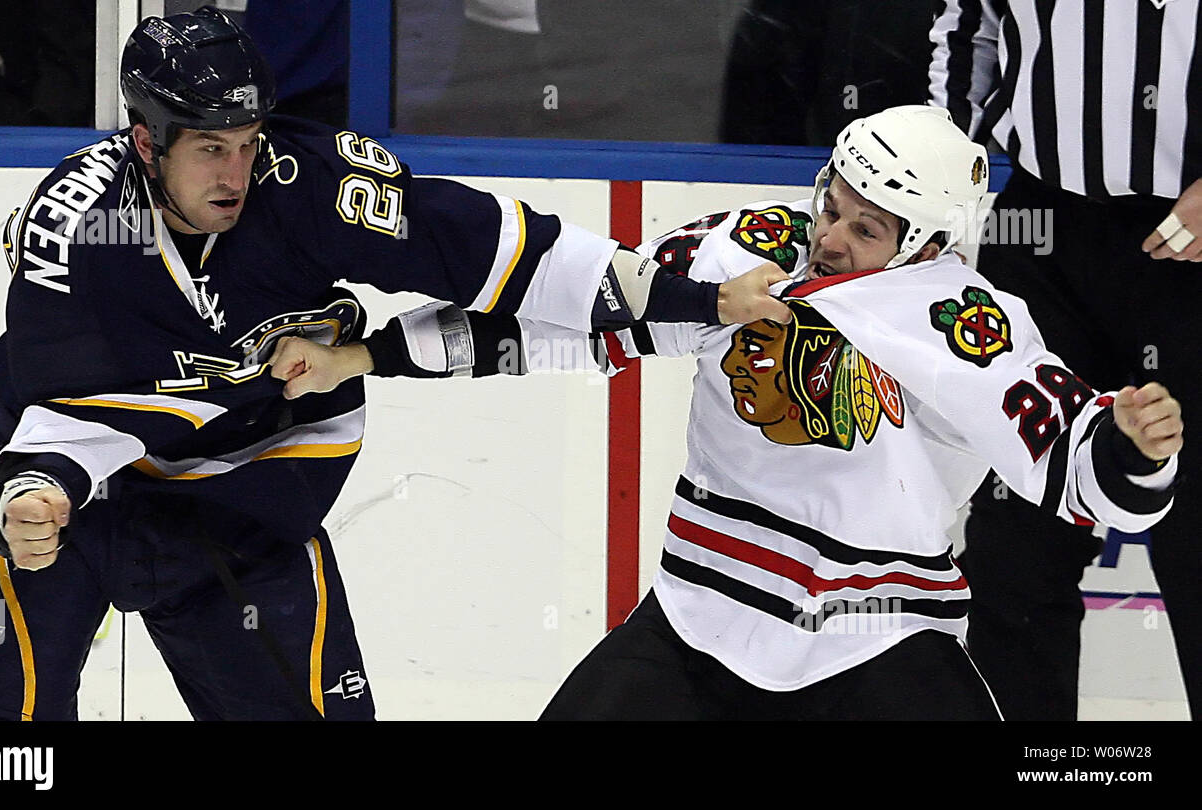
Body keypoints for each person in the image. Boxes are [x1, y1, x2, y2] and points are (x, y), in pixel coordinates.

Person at [0, 6, 782, 722]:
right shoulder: (74, 224)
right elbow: (66, 404)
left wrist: (697, 302)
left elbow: (504, 255)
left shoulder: (309, 184)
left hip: (243, 495)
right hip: (78, 492)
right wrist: (37, 489)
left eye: (248, 141)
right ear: (147, 144)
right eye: (210, 148)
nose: (237, 171)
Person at [268, 105, 1184, 719]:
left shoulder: (964, 322)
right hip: (703, 618)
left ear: (931, 244)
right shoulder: (751, 247)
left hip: (876, 645)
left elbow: (1071, 465)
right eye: (836, 202)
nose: (830, 236)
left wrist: (1135, 449)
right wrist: (373, 352)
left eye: (868, 229)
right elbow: (588, 323)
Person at [930, 0, 1202, 720]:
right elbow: (967, 24)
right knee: (1016, 544)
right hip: (1044, 231)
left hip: (1194, 235)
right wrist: (935, 186)